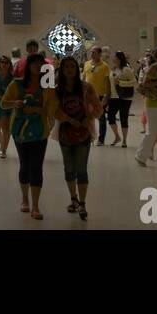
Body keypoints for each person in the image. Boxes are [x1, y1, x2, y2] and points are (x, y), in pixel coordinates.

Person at [1, 54, 59, 220]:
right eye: (34, 63)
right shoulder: (16, 84)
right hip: (20, 131)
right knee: (24, 165)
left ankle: (36, 205)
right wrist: (16, 103)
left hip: (40, 132)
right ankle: (24, 199)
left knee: (37, 167)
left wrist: (37, 110)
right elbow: (3, 103)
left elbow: (52, 108)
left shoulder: (47, 86)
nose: (37, 66)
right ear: (28, 65)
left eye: (40, 63)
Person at [54, 56, 103, 221]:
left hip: (83, 133)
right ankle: (73, 198)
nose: (69, 70)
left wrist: (88, 117)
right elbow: (54, 110)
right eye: (66, 67)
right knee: (69, 169)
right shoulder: (57, 89)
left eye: (72, 67)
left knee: (81, 169)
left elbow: (98, 108)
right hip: (64, 133)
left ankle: (82, 203)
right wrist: (69, 120)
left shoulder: (85, 88)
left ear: (77, 69)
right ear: (62, 70)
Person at [106, 51, 137, 147]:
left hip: (125, 97)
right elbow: (111, 84)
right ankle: (117, 136)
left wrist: (121, 83)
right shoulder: (113, 69)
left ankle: (124, 140)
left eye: (114, 56)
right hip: (114, 97)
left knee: (124, 118)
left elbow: (134, 82)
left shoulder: (126, 69)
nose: (113, 58)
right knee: (110, 117)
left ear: (119, 58)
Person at [82, 47, 111, 146]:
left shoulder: (105, 66)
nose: (92, 54)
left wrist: (107, 96)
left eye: (94, 52)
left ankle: (101, 139)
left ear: (99, 54)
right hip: (87, 95)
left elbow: (107, 83)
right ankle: (88, 136)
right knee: (87, 116)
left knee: (101, 117)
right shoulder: (87, 64)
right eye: (91, 52)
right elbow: (83, 78)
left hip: (100, 95)